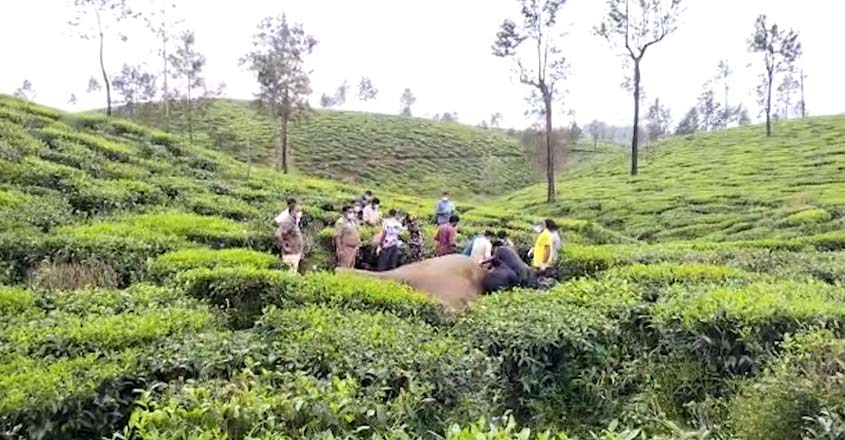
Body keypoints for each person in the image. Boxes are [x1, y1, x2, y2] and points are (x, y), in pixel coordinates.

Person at [275, 199, 304, 275]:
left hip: (295, 252)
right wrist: (285, 246)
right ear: (292, 211)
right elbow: (278, 234)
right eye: (297, 210)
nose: (299, 212)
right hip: (290, 255)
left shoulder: (294, 222)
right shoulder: (288, 222)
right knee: (290, 274)